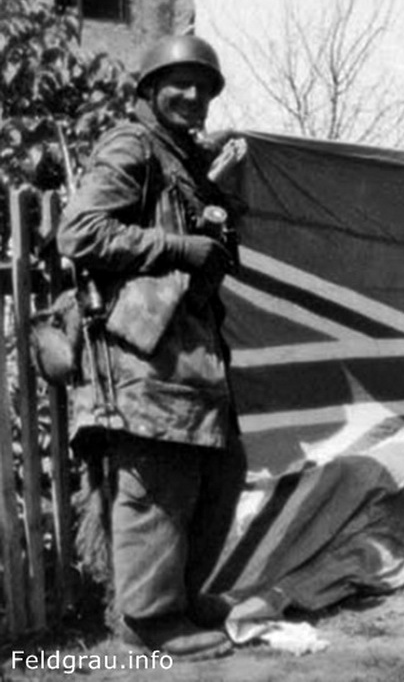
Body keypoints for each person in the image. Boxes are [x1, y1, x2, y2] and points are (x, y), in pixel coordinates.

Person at [57, 34, 250, 660]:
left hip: (190, 349)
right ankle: (148, 620)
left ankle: (182, 598)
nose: (194, 96)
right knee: (158, 484)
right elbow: (80, 232)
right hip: (141, 352)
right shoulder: (132, 144)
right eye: (180, 84)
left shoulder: (181, 158)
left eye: (205, 88)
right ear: (148, 89)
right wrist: (177, 247)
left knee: (219, 474)